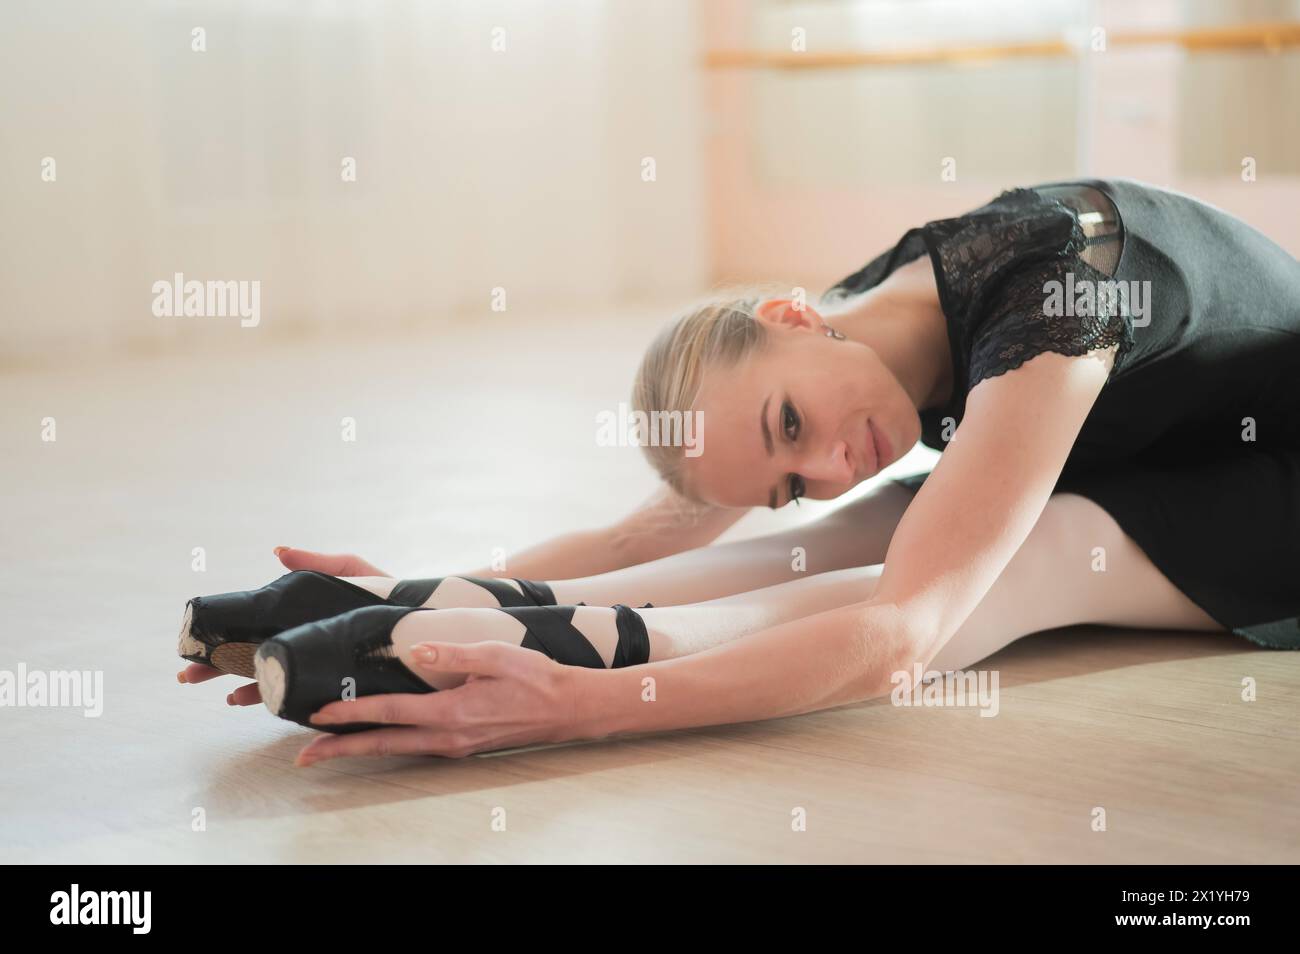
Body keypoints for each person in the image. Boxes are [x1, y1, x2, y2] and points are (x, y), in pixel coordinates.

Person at [178, 178, 1300, 764]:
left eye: (788, 421)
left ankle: (555, 656)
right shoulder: (856, 315)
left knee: (1029, 554)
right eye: (787, 467)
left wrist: (594, 711)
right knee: (844, 536)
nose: (825, 462)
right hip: (1151, 444)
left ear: (789, 318)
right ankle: (424, 626)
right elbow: (646, 536)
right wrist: (419, 582)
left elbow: (902, 641)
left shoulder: (1054, 297)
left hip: (1278, 476)